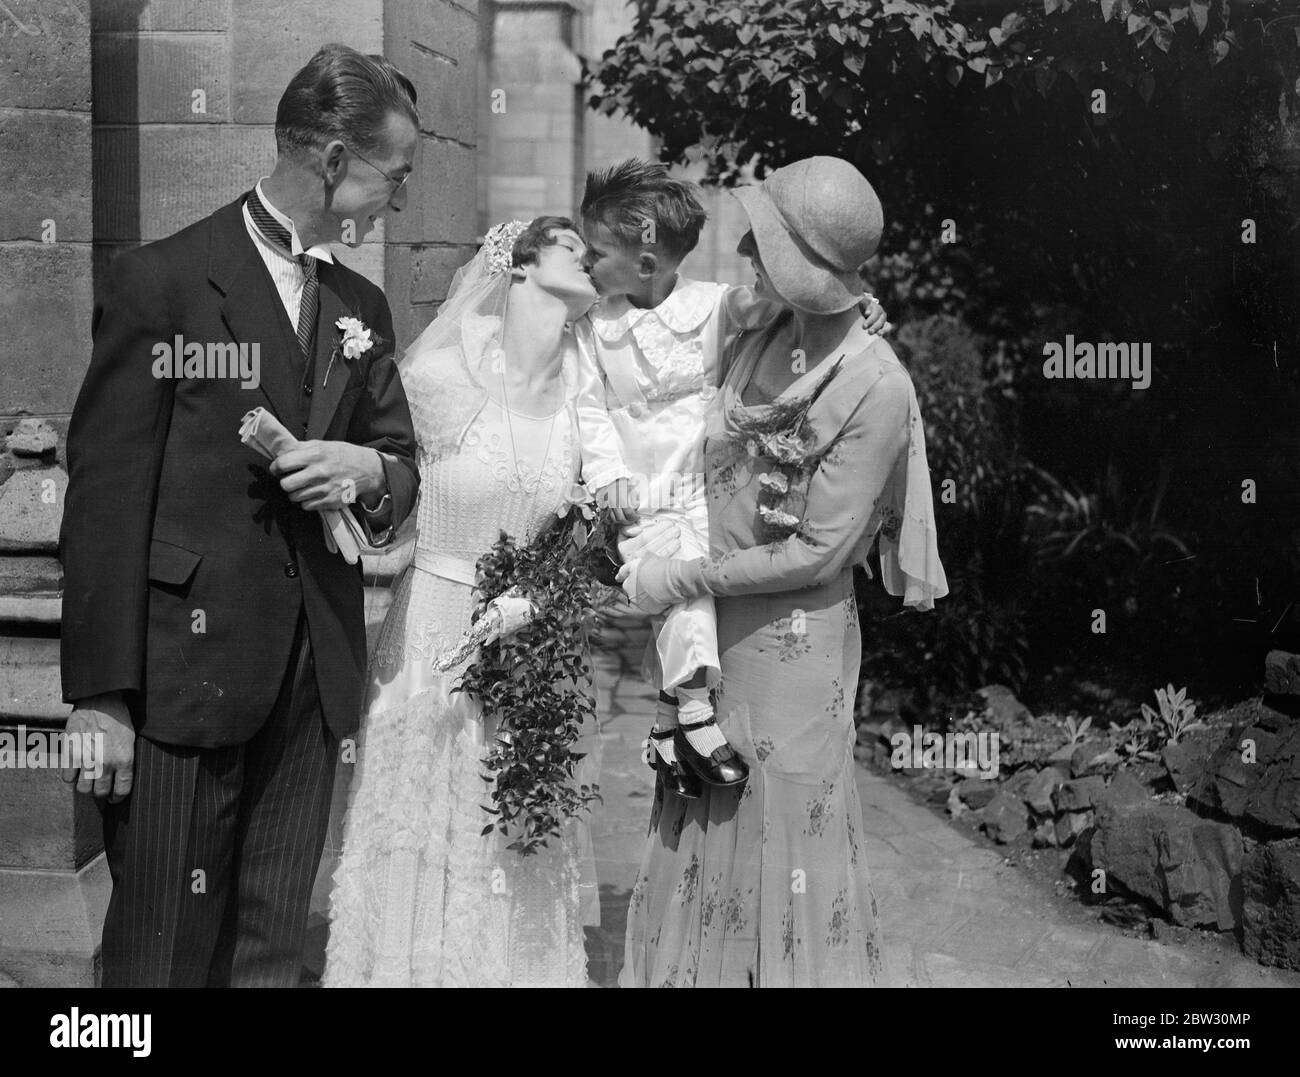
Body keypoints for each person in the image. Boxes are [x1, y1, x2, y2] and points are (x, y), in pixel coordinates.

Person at [57, 44, 421, 987]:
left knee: (269, 948)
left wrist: (366, 468)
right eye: (396, 175)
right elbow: (102, 501)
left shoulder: (362, 304)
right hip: (184, 678)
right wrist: (99, 697)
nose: (401, 200)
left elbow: (405, 467)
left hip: (313, 677)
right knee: (158, 954)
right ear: (334, 160)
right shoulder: (163, 284)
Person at [617, 156, 949, 987]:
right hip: (711, 633)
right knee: (703, 793)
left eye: (763, 247)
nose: (747, 259)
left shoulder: (875, 384)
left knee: (784, 818)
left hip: (793, 644)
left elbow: (820, 551)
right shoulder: (760, 328)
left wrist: (683, 576)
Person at [323, 217, 604, 987]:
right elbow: (383, 487)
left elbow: (595, 527)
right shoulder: (442, 376)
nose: (591, 256)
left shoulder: (592, 386)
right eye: (571, 245)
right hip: (432, 631)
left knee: (511, 826)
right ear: (516, 266)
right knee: (419, 822)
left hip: (528, 646)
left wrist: (536, 599)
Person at [576, 159, 888, 798]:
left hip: (704, 486)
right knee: (686, 587)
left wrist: (859, 306)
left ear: (645, 261)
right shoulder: (592, 326)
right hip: (639, 491)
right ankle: (689, 718)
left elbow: (781, 299)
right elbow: (587, 405)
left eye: (597, 250)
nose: (586, 262)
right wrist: (608, 480)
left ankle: (669, 729)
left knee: (695, 584)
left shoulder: (712, 307)